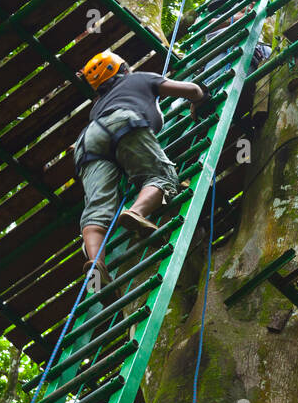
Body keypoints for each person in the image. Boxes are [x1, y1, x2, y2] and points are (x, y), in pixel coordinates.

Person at [73, 51, 206, 284]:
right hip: (123, 122)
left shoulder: (97, 105)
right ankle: (137, 213)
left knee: (97, 208)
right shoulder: (139, 78)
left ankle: (96, 263)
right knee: (162, 176)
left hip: (86, 143)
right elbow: (192, 90)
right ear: (122, 68)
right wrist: (199, 100)